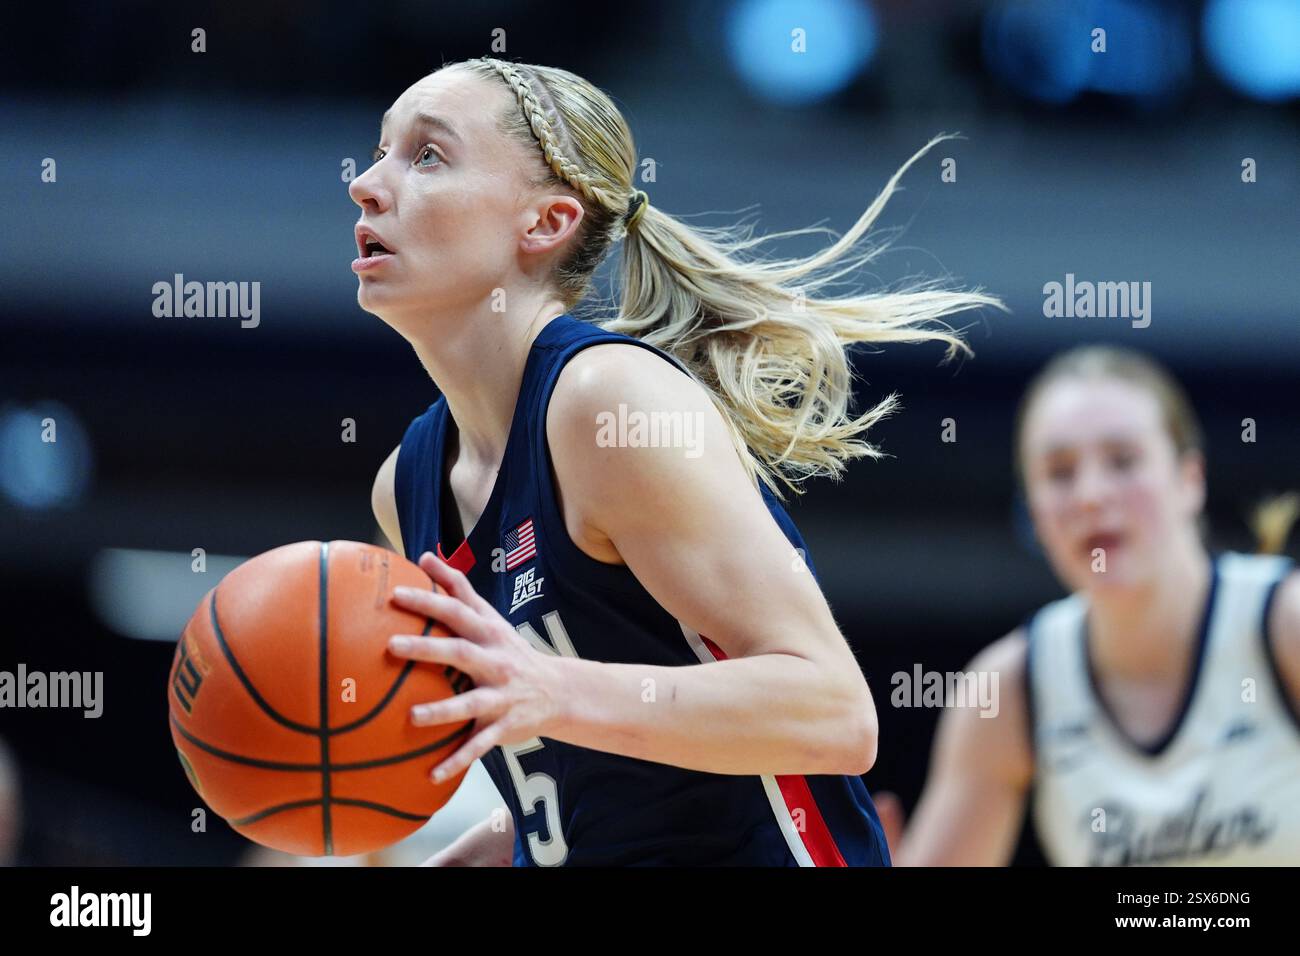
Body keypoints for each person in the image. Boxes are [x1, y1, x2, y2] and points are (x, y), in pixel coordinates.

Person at [352, 56, 998, 865]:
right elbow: (595, 779)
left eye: (428, 156)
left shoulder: (606, 405)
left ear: (546, 222)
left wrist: (552, 691)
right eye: (380, 151)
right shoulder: (406, 486)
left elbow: (833, 713)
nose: (368, 183)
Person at [878, 346, 1300, 865]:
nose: (1092, 495)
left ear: (1190, 481)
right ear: (1033, 512)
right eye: (1060, 472)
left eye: (1123, 461)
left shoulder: (1285, 624)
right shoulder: (1010, 688)